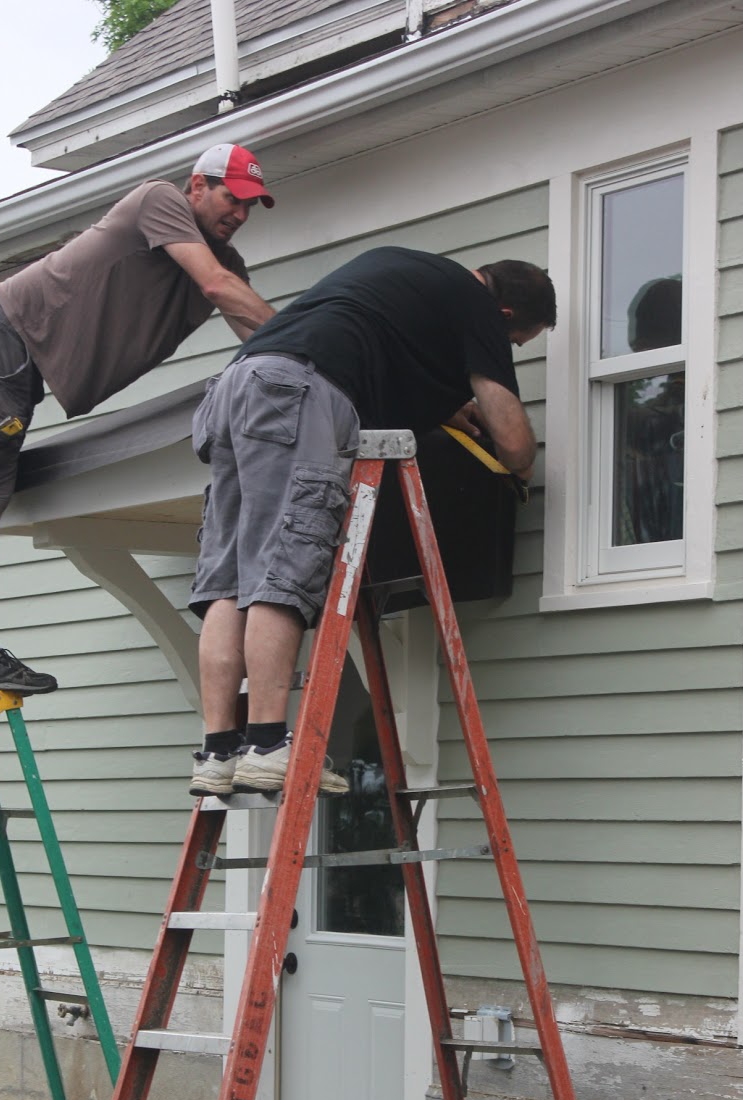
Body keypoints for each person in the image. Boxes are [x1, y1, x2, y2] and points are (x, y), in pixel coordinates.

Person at [187, 246, 555, 797]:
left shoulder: (404, 273)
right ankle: (266, 743)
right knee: (284, 565)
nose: (505, 350)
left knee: (228, 575)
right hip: (300, 395)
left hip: (235, 388)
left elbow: (382, 356)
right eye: (513, 343)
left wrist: (445, 407)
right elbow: (514, 443)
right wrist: (521, 460)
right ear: (503, 316)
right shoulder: (478, 305)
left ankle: (218, 753)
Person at [0, 144, 278, 696]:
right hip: (4, 332)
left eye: (251, 206)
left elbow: (245, 317)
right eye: (233, 198)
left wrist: (293, 358)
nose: (240, 214)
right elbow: (216, 288)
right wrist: (295, 334)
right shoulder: (160, 201)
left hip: (14, 349)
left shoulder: (226, 264)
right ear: (197, 187)